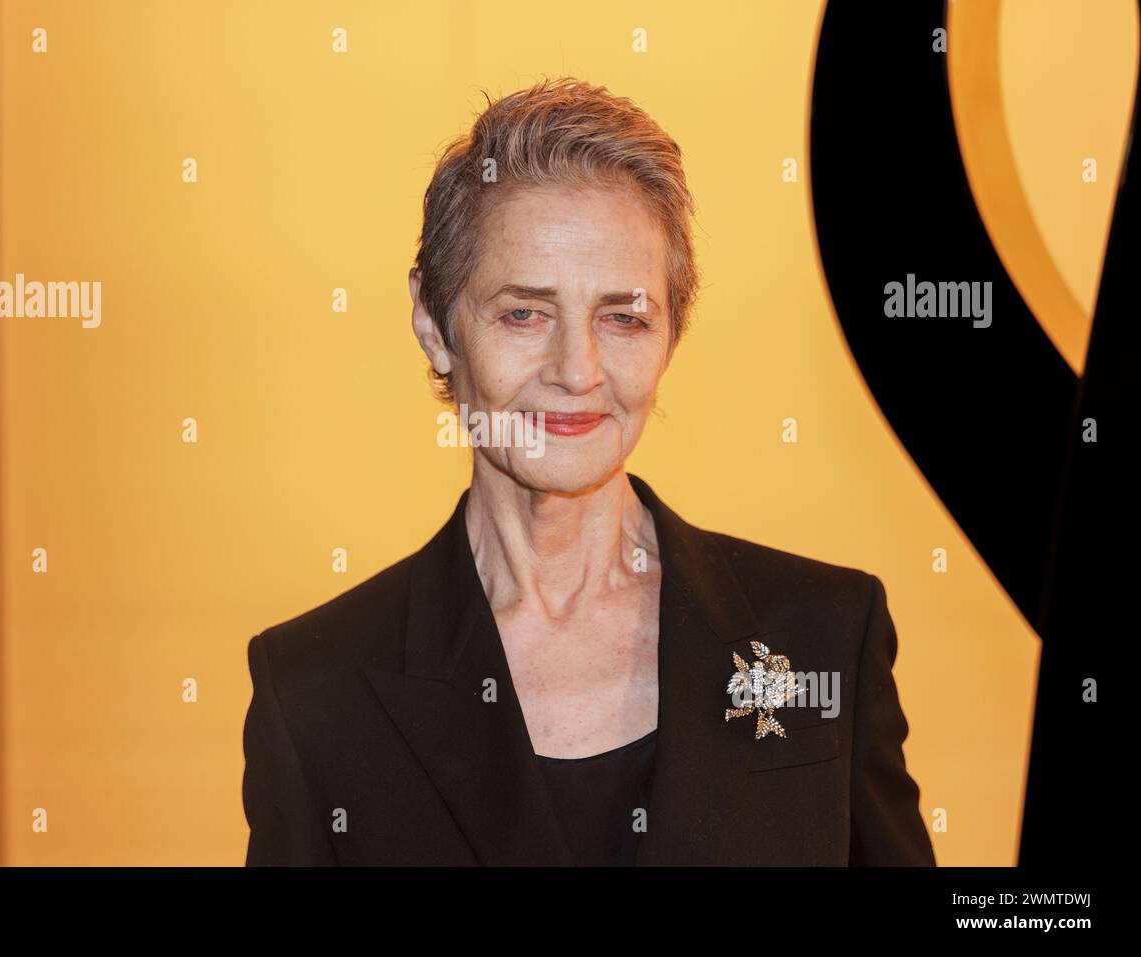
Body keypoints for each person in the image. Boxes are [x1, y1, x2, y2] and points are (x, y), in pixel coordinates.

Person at [242, 76, 935, 866]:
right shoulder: (316, 693)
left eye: (624, 317)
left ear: (672, 335)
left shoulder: (822, 636)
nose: (578, 369)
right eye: (524, 313)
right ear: (435, 328)